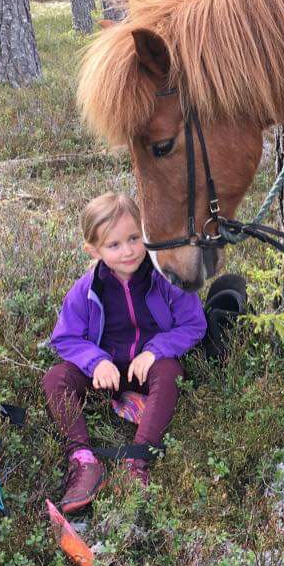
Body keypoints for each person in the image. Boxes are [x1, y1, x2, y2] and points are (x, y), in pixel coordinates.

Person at [43, 192, 207, 512]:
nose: (129, 251)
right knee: (55, 378)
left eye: (134, 238)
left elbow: (194, 324)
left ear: (145, 232)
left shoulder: (167, 277)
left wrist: (155, 351)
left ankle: (138, 459)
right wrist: (96, 362)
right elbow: (65, 338)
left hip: (147, 369)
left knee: (170, 372)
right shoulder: (85, 289)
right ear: (94, 250)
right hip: (105, 375)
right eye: (114, 245)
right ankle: (83, 460)